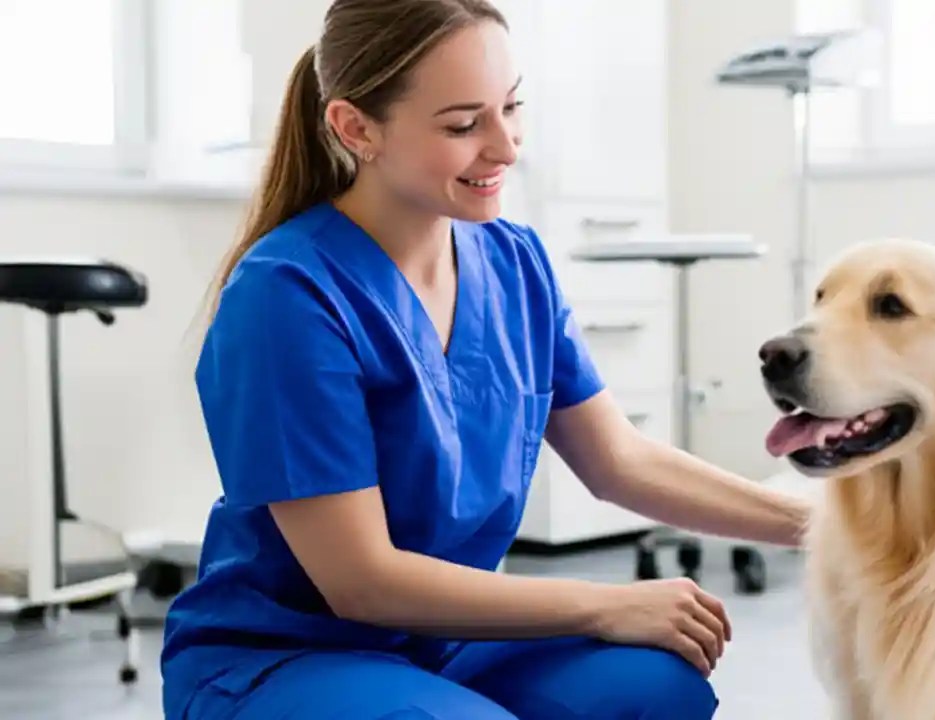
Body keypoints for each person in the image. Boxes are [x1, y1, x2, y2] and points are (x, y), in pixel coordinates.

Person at [160, 1, 810, 718]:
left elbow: (620, 461)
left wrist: (827, 527)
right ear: (356, 128)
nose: (505, 147)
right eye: (464, 125)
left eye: (512, 106)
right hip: (285, 653)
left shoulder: (515, 262)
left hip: (444, 637)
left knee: (657, 686)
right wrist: (599, 605)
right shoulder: (288, 294)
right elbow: (361, 583)